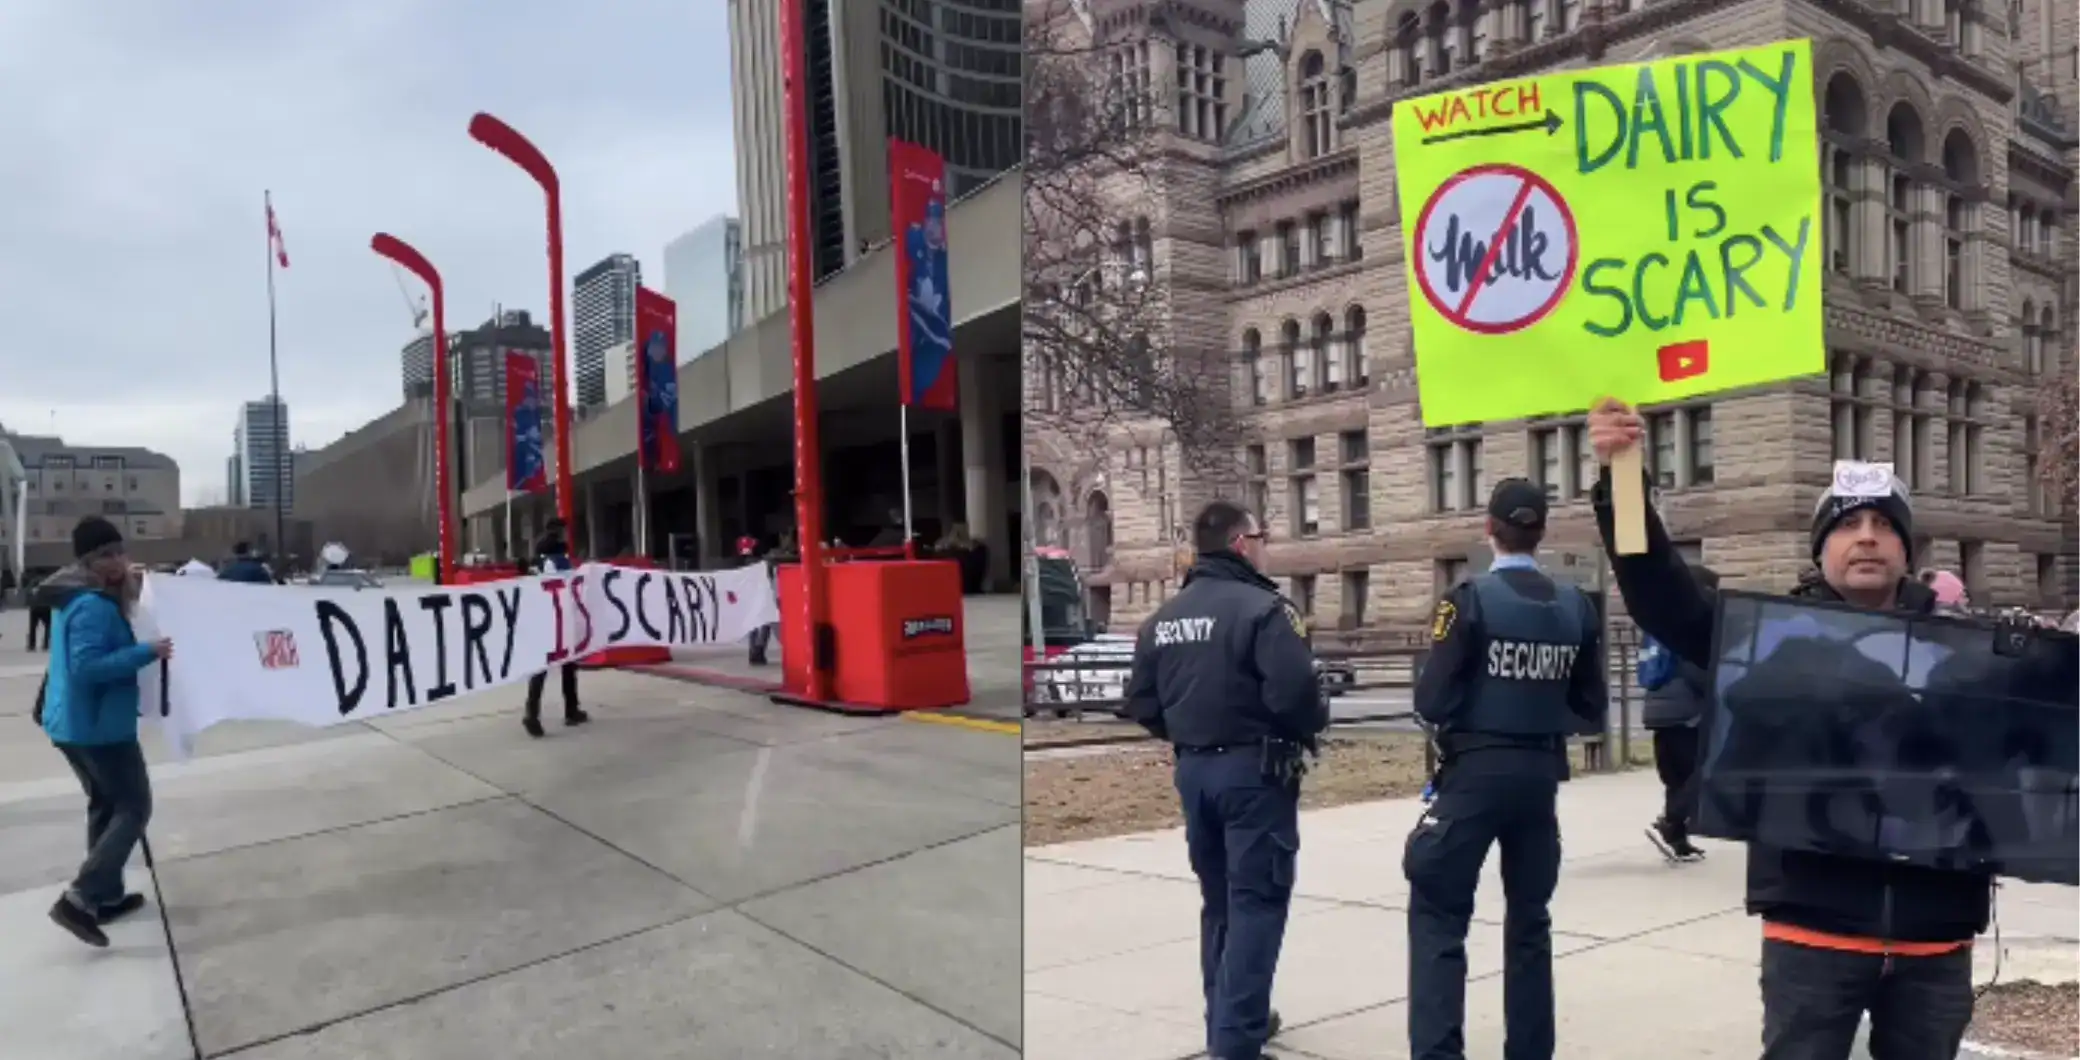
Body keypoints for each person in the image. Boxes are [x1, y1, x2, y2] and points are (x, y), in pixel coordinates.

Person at [1585, 398, 1988, 1060]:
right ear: (1821, 546)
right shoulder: (1767, 638)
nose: (1865, 536)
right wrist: (1623, 476)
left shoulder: (1967, 647)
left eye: (1883, 525)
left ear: (1906, 548)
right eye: (1848, 523)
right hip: (1814, 934)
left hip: (1936, 940)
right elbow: (1664, 599)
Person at [1405, 478, 1606, 1060]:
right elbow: (1591, 708)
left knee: (1439, 910)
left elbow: (1431, 701)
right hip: (1540, 777)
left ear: (1488, 529)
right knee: (1530, 924)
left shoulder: (1467, 600)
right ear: (1541, 533)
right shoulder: (1575, 607)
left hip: (1474, 773)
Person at [1122, 501, 1328, 1060]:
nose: (1265, 546)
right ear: (1241, 544)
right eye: (1261, 535)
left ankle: (1232, 1017)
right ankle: (1236, 1043)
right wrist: (1302, 726)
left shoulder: (1162, 619)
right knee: (1258, 901)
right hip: (1254, 774)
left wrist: (1189, 732)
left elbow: (1141, 702)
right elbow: (1297, 696)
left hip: (1194, 771)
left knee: (1220, 902)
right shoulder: (1265, 610)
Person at [36, 516, 173, 948]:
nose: (116, 562)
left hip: (75, 724)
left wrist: (133, 585)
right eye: (105, 556)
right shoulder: (92, 605)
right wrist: (145, 653)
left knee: (105, 805)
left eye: (119, 552)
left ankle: (106, 895)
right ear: (88, 561)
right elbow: (88, 668)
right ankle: (81, 898)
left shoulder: (79, 594)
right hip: (97, 727)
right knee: (134, 806)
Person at [1640, 563, 1720, 864]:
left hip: (1658, 711)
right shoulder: (1693, 622)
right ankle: (1671, 822)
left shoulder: (1662, 618)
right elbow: (1695, 670)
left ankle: (1678, 839)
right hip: (1686, 712)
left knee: (1676, 778)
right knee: (1700, 775)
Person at [522, 519, 589, 738]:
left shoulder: (536, 564)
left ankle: (532, 713)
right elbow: (574, 586)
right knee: (568, 666)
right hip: (561, 621)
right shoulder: (560, 562)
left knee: (541, 668)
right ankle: (571, 710)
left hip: (542, 620)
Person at [740, 535, 776, 666]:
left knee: (754, 625)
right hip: (761, 596)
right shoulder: (761, 563)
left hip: (751, 597)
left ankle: (754, 651)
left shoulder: (745, 564)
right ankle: (758, 651)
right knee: (764, 624)